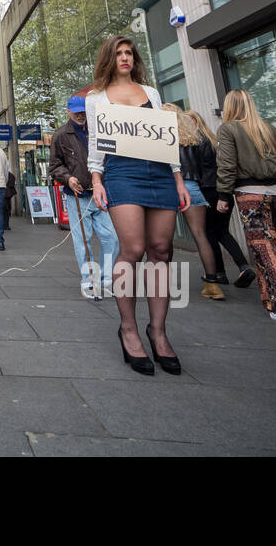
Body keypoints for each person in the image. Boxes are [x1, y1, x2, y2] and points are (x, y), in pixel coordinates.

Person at [86, 36, 189, 376]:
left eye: (129, 52)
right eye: (118, 53)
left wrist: (178, 180)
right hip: (122, 172)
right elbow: (96, 143)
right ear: (108, 59)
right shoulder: (96, 97)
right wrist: (97, 181)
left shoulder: (152, 93)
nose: (125, 58)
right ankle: (128, 328)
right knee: (133, 248)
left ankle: (158, 331)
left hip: (159, 172)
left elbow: (166, 139)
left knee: (161, 250)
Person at [214, 89, 276, 326]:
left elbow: (227, 165)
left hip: (252, 195)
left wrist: (223, 195)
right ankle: (273, 300)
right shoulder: (270, 129)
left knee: (264, 248)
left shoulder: (228, 129)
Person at [50, 94, 119, 299]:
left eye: (83, 111)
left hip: (100, 193)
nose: (81, 114)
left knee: (111, 238)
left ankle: (106, 280)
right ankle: (89, 281)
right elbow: (55, 165)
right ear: (68, 111)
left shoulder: (97, 129)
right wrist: (68, 178)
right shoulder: (61, 135)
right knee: (83, 240)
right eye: (77, 111)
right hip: (77, 196)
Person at [184, 109, 255, 289]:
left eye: (186, 120)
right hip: (222, 190)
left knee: (209, 233)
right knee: (221, 231)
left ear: (195, 121)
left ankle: (219, 273)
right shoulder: (213, 140)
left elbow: (195, 170)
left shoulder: (194, 142)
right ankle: (242, 266)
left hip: (207, 190)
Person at [163, 103, 225, 301]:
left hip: (170, 186)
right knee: (200, 235)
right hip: (193, 187)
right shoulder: (194, 139)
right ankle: (212, 284)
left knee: (165, 237)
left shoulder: (162, 139)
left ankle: (167, 284)